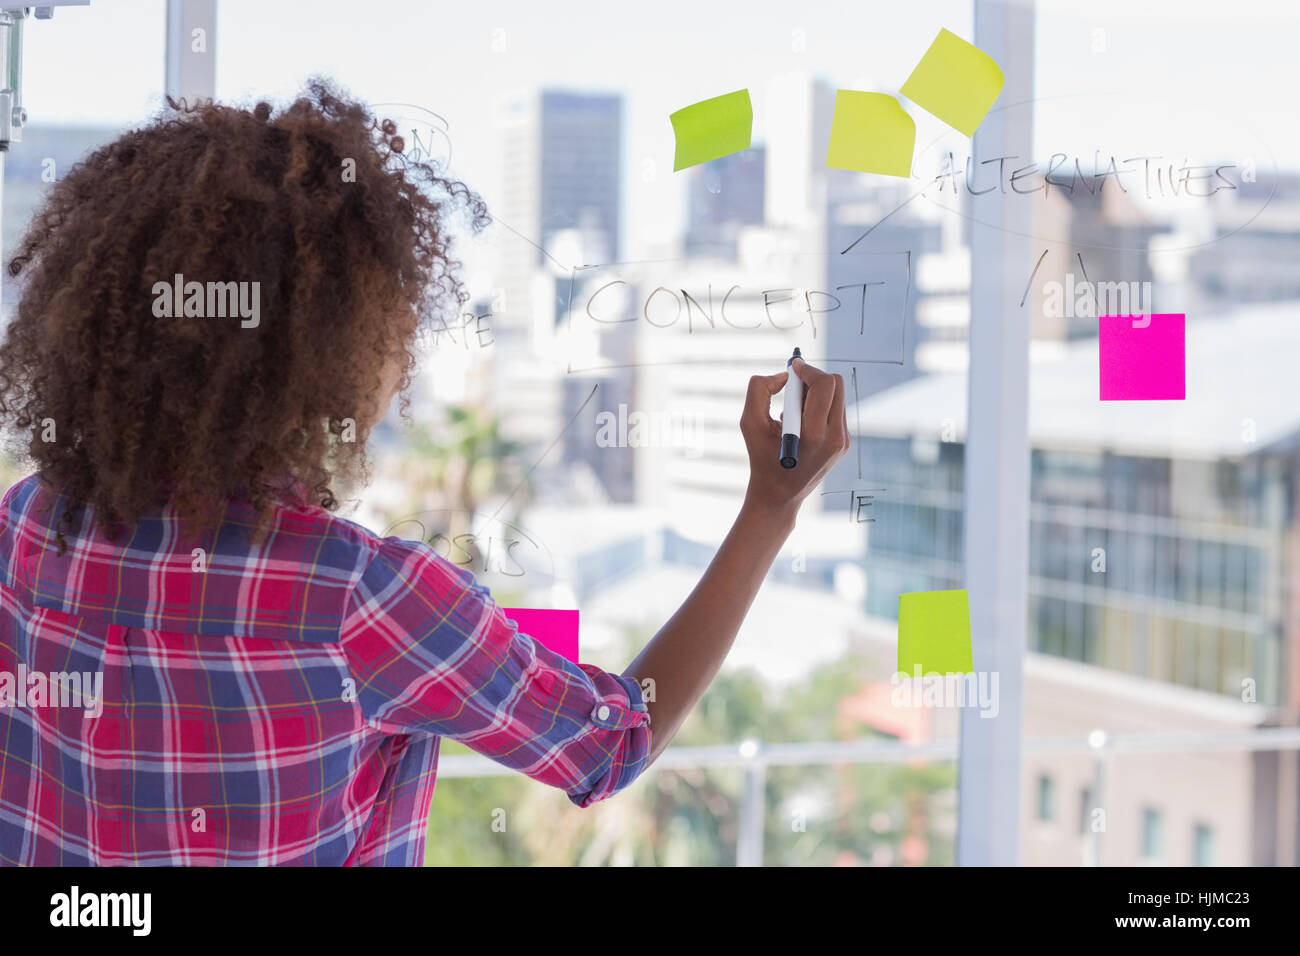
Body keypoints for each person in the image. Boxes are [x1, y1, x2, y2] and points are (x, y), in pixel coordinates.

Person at [0, 79, 848, 866]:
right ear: (335, 350)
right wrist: (769, 512)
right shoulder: (366, 599)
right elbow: (614, 738)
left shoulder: (26, 527)